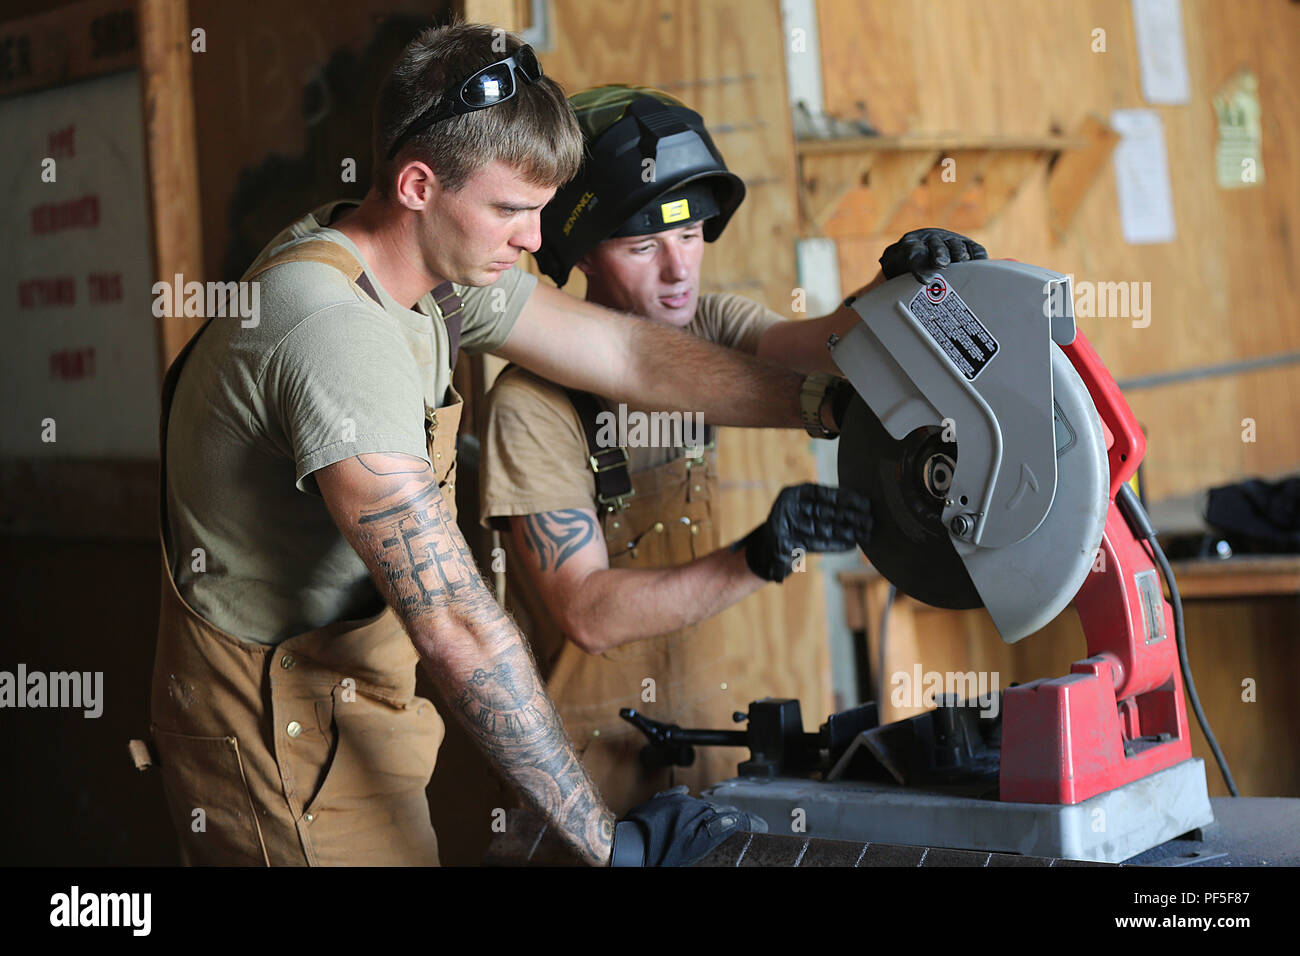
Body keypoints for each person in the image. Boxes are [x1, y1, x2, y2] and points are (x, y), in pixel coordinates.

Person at [142, 24, 857, 868]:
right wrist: (608, 845)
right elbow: (454, 624)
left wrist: (827, 404)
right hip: (275, 739)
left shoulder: (431, 278)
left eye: (542, 211)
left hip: (356, 708)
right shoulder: (332, 333)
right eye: (512, 211)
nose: (532, 241)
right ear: (416, 184)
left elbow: (625, 354)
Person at [476, 85, 987, 813]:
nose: (679, 268)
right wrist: (756, 556)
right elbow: (589, 614)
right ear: (582, 254)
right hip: (577, 792)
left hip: (702, 760)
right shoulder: (530, 408)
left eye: (690, 236)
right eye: (643, 245)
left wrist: (900, 284)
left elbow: (821, 348)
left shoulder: (707, 323)